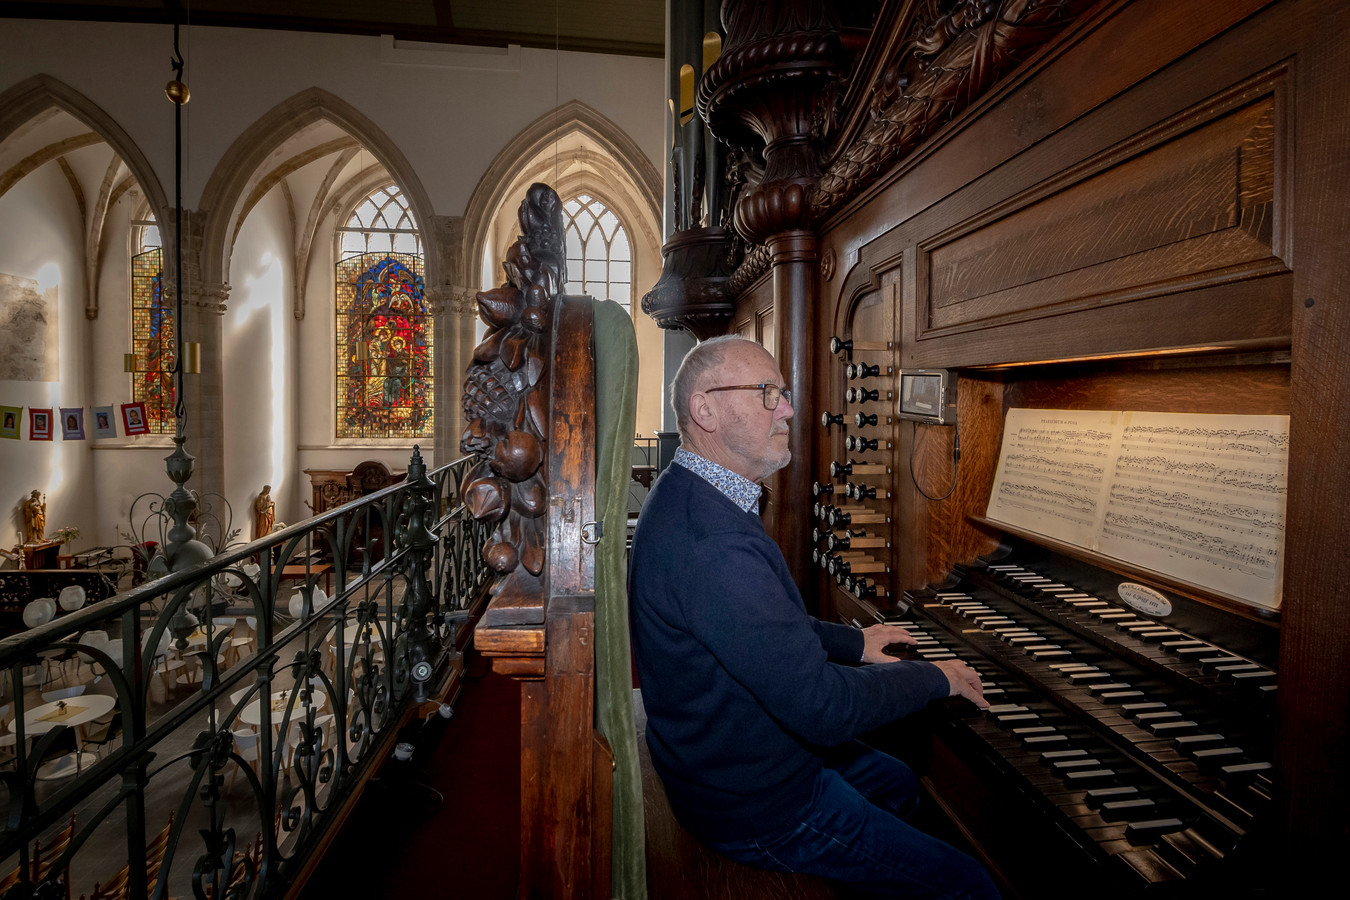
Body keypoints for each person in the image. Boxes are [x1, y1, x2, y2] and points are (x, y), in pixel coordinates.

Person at [628, 336, 998, 899]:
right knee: (972, 885)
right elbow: (824, 711)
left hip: (728, 763)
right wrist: (934, 677)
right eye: (766, 393)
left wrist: (854, 644)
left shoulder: (692, 492)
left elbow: (762, 627)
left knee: (898, 782)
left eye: (782, 392)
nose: (789, 409)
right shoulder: (714, 545)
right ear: (704, 410)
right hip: (756, 806)